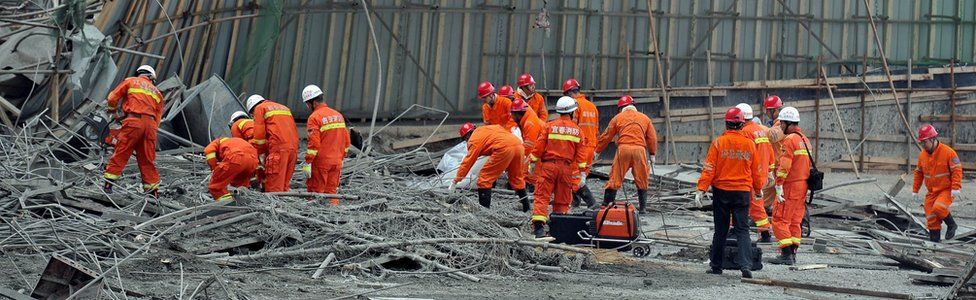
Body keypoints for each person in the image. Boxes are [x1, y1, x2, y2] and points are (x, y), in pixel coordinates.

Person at [694, 107, 761, 279]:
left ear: (726, 123)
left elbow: (709, 169)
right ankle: (746, 266)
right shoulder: (750, 145)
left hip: (722, 192)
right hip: (742, 192)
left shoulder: (718, 143)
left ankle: (716, 266)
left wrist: (701, 190)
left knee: (721, 230)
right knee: (742, 230)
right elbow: (756, 172)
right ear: (742, 124)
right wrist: (759, 190)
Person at [530, 96, 588, 238]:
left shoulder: (549, 126)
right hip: (566, 169)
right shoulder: (578, 131)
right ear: (572, 112)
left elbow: (539, 146)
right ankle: (558, 230)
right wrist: (583, 174)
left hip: (549, 167)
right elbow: (581, 155)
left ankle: (539, 230)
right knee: (562, 199)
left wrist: (532, 161)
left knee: (542, 196)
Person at [103, 65, 163, 198]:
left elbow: (112, 98)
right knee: (147, 158)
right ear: (151, 77)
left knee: (122, 152)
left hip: (133, 122)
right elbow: (158, 116)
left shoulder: (131, 81)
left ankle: (108, 185)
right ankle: (153, 193)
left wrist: (113, 111)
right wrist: (150, 128)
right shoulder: (157, 92)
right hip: (151, 126)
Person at [595, 95, 658, 212]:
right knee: (642, 178)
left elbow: (606, 136)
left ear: (621, 108)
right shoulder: (645, 118)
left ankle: (606, 204)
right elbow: (652, 138)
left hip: (623, 150)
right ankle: (643, 208)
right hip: (639, 150)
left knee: (615, 177)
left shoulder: (618, 118)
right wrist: (653, 153)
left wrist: (597, 150)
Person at [768, 107, 812, 265]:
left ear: (787, 123)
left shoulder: (789, 140)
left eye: (781, 124)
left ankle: (786, 254)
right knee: (794, 221)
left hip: (790, 186)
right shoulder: (804, 139)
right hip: (803, 186)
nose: (780, 128)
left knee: (780, 219)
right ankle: (793, 253)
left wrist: (778, 185)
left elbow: (784, 165)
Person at [450, 123, 527, 209]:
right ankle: (526, 206)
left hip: (503, 148)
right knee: (516, 178)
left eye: (465, 139)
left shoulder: (473, 140)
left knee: (484, 179)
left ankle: (484, 210)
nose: (467, 141)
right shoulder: (486, 129)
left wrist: (456, 180)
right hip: (518, 145)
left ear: (467, 135)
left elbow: (467, 162)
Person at [913, 124, 963, 242]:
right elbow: (918, 173)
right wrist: (915, 190)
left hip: (946, 190)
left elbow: (956, 170)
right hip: (932, 192)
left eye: (924, 142)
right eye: (921, 143)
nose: (923, 145)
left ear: (932, 139)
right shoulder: (922, 156)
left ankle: (952, 225)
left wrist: (955, 187)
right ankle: (934, 245)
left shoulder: (948, 152)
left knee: (939, 208)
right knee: (931, 218)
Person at [302, 85, 351, 205]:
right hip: (337, 162)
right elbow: (346, 141)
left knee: (316, 193)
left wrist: (308, 162)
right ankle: (333, 218)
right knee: (331, 193)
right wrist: (341, 157)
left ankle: (315, 220)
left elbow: (314, 143)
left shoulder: (314, 117)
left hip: (321, 163)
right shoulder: (338, 115)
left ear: (312, 102)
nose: (308, 107)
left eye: (307, 104)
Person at [735, 103, 776, 243]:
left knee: (743, 203)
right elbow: (770, 152)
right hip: (760, 174)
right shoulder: (761, 130)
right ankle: (764, 233)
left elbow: (743, 155)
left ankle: (763, 233)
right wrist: (769, 170)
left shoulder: (745, 132)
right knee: (754, 204)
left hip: (750, 175)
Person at [247, 94, 300, 192]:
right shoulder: (284, 108)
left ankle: (274, 207)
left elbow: (259, 138)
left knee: (274, 189)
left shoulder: (260, 108)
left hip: (278, 151)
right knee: (284, 187)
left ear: (253, 108)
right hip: (293, 150)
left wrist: (261, 154)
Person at [564, 78, 598, 207]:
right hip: (591, 146)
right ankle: (575, 201)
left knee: (574, 177)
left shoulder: (575, 105)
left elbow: (572, 127)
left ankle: (591, 202)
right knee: (581, 175)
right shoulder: (592, 106)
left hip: (580, 147)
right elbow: (596, 129)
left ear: (569, 93)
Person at [512, 98, 546, 207]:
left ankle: (533, 196)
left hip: (541, 149)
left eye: (512, 114)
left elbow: (529, 146)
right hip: (539, 147)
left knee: (531, 173)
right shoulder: (525, 119)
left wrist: (517, 158)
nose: (511, 117)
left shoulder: (529, 123)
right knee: (526, 171)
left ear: (518, 114)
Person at [203, 137, 258, 201]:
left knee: (216, 187)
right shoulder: (234, 141)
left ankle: (227, 204)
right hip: (253, 161)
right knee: (239, 186)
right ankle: (243, 203)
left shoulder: (216, 142)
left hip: (236, 158)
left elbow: (208, 151)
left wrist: (214, 168)